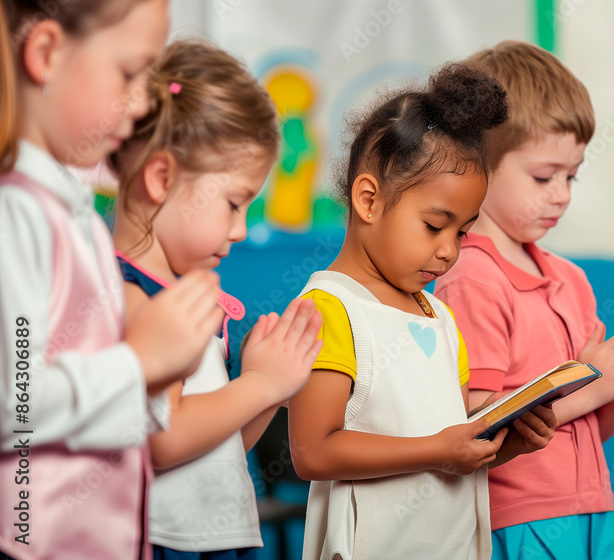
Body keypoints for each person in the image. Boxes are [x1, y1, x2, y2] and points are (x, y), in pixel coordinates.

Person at [287, 62, 557, 560]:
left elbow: (450, 442)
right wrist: (439, 449)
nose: (450, 251)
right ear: (369, 199)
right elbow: (313, 451)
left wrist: (503, 441)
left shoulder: (439, 316)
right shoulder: (329, 309)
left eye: (462, 232)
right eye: (434, 226)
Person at [0, 2, 225, 559]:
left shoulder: (76, 215)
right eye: (129, 73)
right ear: (47, 54)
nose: (147, 100)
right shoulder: (16, 214)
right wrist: (140, 363)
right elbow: (17, 406)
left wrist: (159, 371)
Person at [434, 40, 614, 559]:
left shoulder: (569, 279)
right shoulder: (471, 277)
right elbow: (477, 426)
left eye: (571, 175)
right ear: (477, 166)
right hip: (521, 521)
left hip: (591, 509)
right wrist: (594, 387)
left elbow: (594, 429)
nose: (562, 193)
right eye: (543, 176)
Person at [108, 39, 323, 560]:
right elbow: (162, 443)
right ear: (161, 178)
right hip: (165, 544)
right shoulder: (133, 297)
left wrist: (267, 391)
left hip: (215, 540)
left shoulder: (186, 295)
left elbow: (221, 449)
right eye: (233, 204)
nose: (242, 230)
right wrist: (259, 384)